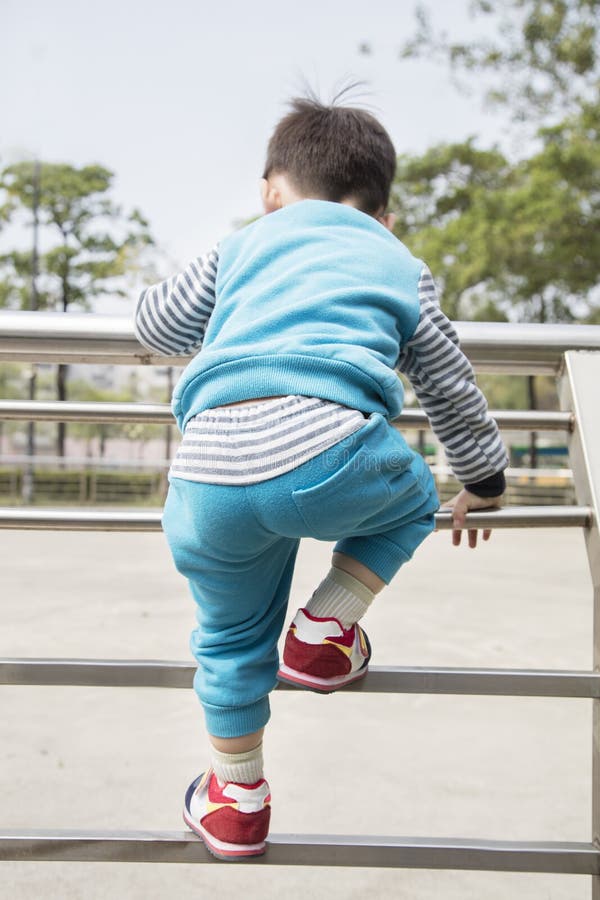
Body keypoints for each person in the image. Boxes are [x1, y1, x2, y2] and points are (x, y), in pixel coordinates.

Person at [134, 93, 507, 860]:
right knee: (410, 501)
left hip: (207, 474)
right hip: (328, 451)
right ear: (386, 214)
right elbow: (446, 379)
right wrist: (486, 479)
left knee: (230, 638)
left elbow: (156, 326)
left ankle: (236, 800)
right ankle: (325, 629)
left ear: (272, 191)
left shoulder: (241, 246)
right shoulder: (398, 263)